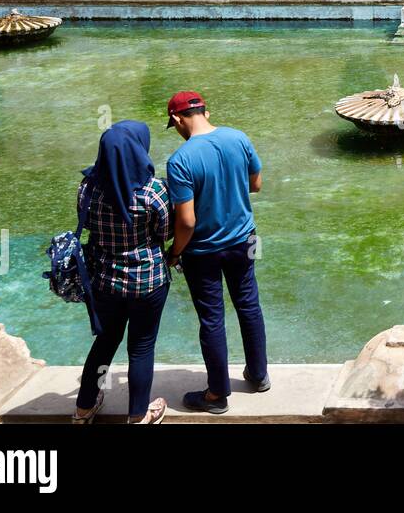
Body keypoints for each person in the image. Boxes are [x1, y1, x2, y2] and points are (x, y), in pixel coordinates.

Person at [165, 91, 269, 414]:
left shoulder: (180, 161)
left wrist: (174, 252)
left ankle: (217, 394)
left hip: (204, 251)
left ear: (177, 120)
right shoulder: (238, 138)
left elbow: (186, 221)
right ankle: (258, 374)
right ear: (206, 112)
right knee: (248, 304)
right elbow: (257, 184)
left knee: (212, 319)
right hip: (243, 241)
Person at [72, 121, 172, 425]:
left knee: (105, 342)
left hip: (104, 280)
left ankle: (83, 408)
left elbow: (86, 226)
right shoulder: (154, 192)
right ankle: (139, 416)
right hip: (148, 281)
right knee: (141, 346)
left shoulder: (88, 189)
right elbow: (165, 233)